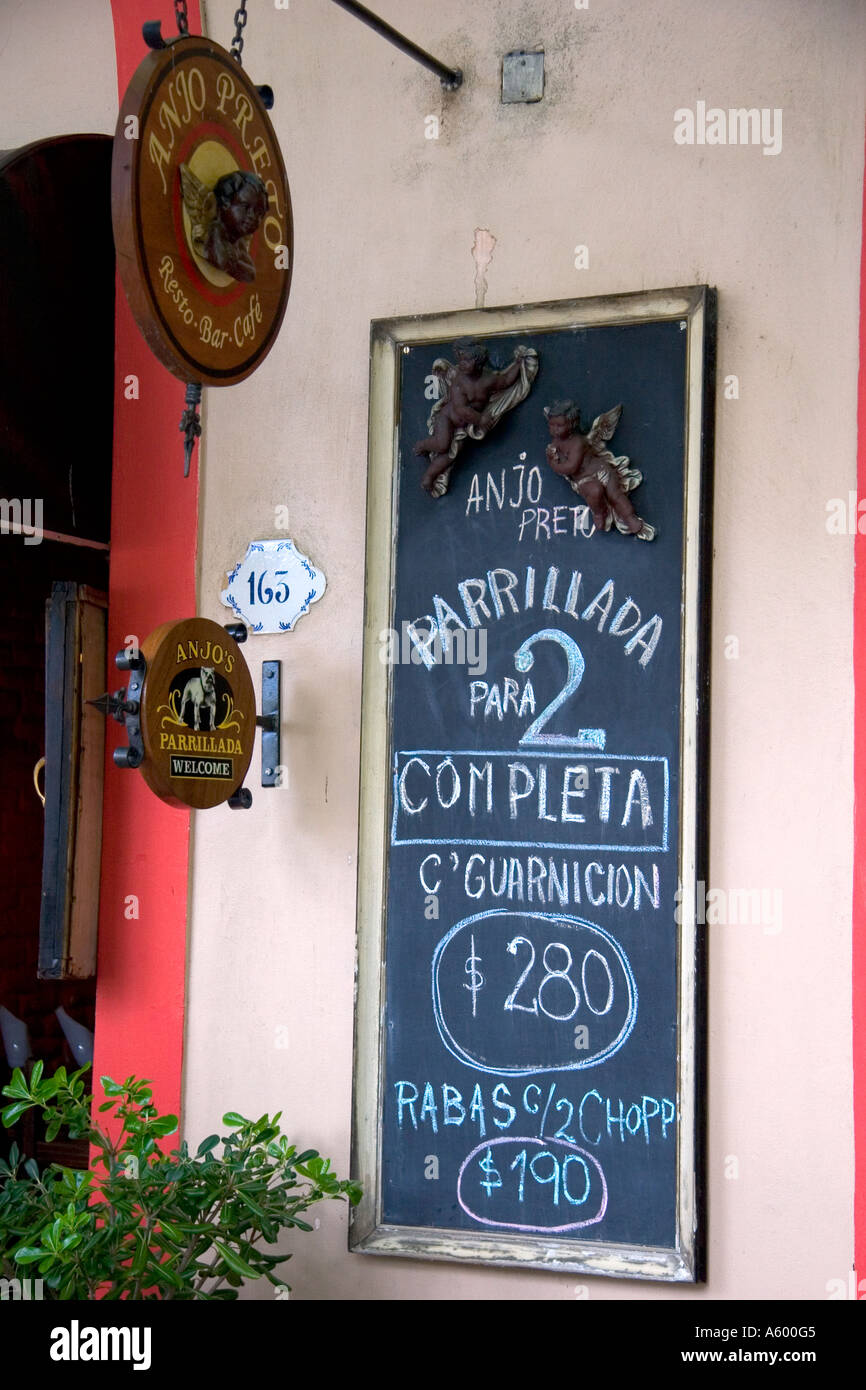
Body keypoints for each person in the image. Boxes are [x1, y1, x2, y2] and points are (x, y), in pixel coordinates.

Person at [544, 400, 655, 540]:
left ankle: (630, 517)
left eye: (559, 425)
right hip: (584, 479)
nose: (555, 429)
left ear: (571, 424)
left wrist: (554, 464)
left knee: (616, 495)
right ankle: (599, 512)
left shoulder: (578, 442)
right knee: (595, 492)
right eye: (551, 425)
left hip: (601, 470)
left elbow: (571, 467)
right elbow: (562, 464)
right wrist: (551, 458)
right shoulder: (554, 446)